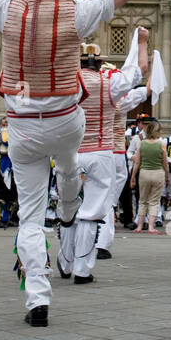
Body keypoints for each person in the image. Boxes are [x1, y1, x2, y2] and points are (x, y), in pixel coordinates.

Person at [0, 0, 131, 328]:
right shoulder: (78, 11)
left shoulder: (8, 8)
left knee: (31, 218)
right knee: (70, 162)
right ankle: (71, 202)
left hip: (21, 124)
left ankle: (37, 298)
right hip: (66, 120)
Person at [58, 35, 146, 283]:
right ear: (98, 63)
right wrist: (141, 43)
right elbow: (137, 73)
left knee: (67, 208)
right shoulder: (109, 81)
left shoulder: (67, 81)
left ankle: (65, 263)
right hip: (100, 150)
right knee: (92, 210)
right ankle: (82, 270)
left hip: (69, 151)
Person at [97, 81, 147, 259]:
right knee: (108, 200)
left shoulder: (87, 94)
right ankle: (101, 243)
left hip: (91, 150)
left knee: (93, 198)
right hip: (115, 152)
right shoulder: (121, 100)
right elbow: (147, 88)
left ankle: (81, 242)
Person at [130, 117, 167, 233]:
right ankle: (151, 226)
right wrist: (167, 176)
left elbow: (137, 162)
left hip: (144, 173)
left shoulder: (142, 143)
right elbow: (165, 163)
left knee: (142, 201)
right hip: (158, 173)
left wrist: (132, 177)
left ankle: (139, 226)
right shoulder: (161, 144)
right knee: (154, 201)